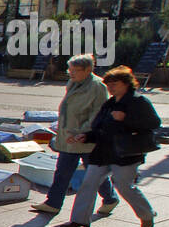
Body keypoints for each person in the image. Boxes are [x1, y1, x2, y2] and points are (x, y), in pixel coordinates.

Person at [60, 66, 160, 227]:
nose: (111, 87)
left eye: (115, 84)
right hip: (103, 152)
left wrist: (126, 119)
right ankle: (79, 220)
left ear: (126, 83)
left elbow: (153, 124)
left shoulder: (138, 101)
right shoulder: (110, 103)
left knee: (124, 186)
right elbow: (100, 128)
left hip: (125, 153)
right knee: (88, 184)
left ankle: (147, 215)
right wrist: (86, 136)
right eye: (109, 84)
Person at [31, 54, 118, 217]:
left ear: (88, 69)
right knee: (62, 172)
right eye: (69, 69)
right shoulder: (73, 82)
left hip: (85, 139)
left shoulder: (98, 86)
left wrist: (82, 132)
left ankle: (110, 199)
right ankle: (53, 203)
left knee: (95, 173)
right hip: (69, 137)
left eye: (74, 70)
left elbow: (97, 114)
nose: (70, 73)